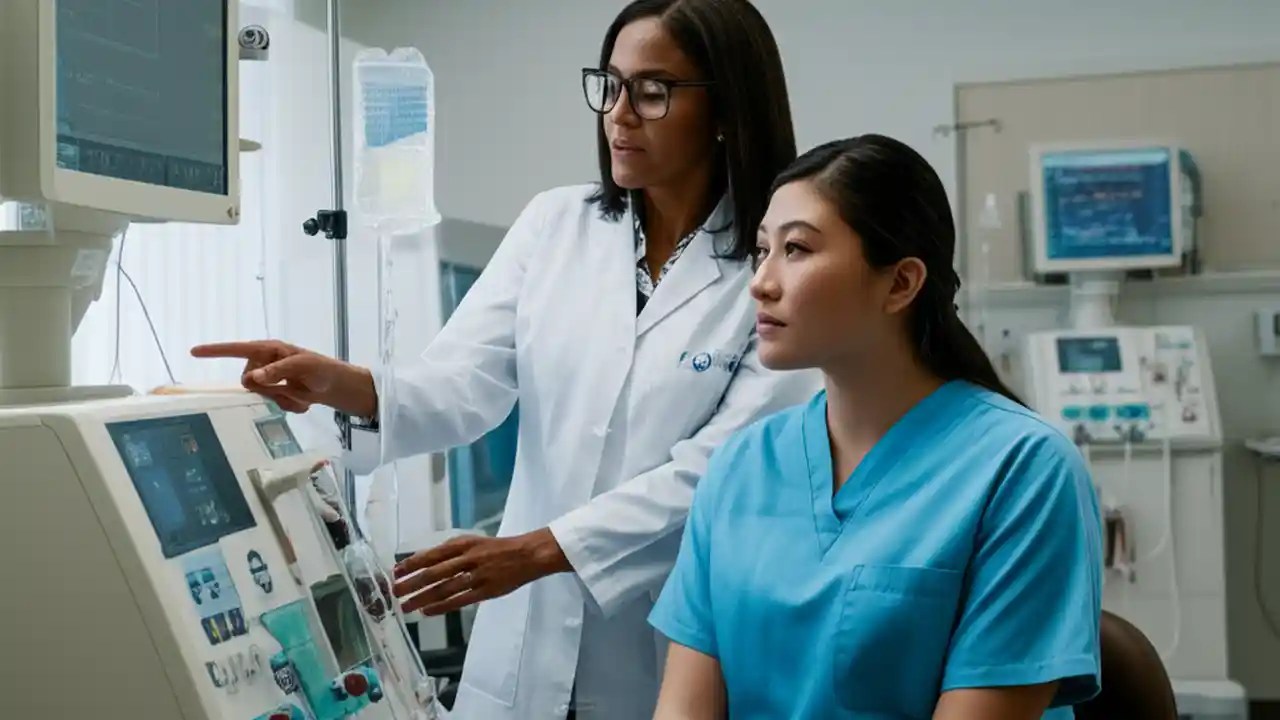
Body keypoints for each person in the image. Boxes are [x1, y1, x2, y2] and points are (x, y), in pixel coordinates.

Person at [191, 1, 817, 718]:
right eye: (608, 85)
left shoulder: (774, 266)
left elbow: (720, 473)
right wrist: (346, 384)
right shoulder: (558, 223)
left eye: (651, 92)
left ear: (726, 110)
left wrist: (542, 550)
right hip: (522, 650)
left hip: (666, 655)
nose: (618, 114)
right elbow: (463, 384)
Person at [648, 135, 1103, 720]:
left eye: (797, 250)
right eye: (761, 250)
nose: (761, 281)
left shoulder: (1025, 471)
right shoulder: (740, 467)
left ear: (900, 284)